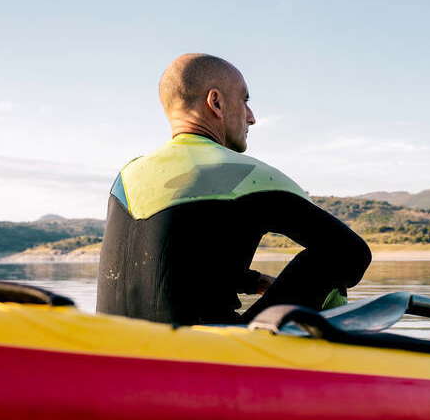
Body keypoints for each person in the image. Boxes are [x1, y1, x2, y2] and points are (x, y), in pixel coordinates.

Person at [97, 53, 371, 325]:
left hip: (116, 349)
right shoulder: (246, 175)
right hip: (206, 353)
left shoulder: (126, 176)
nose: (251, 118)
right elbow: (351, 255)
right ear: (215, 102)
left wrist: (253, 281)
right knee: (335, 258)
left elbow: (174, 263)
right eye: (245, 101)